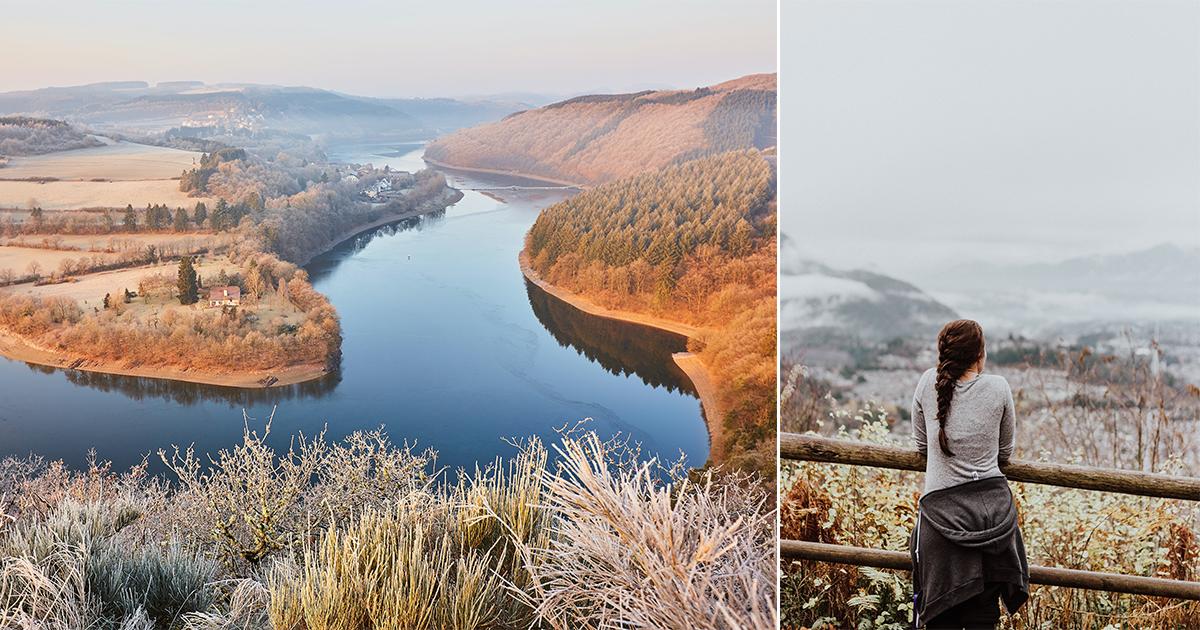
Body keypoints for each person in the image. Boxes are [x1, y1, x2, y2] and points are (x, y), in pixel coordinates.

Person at [909, 319, 1029, 629]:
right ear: (980, 355)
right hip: (991, 520)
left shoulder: (927, 382)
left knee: (940, 618)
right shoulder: (999, 387)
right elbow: (1005, 452)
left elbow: (921, 445)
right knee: (983, 616)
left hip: (940, 522)